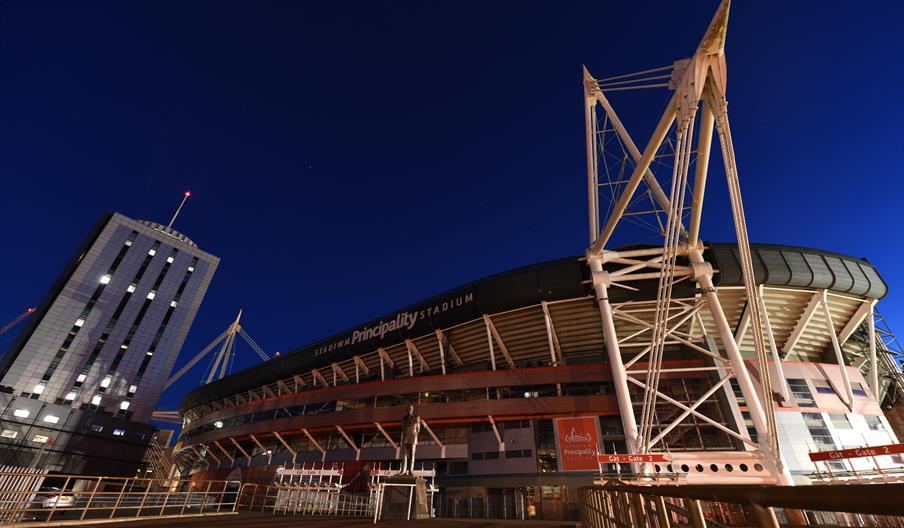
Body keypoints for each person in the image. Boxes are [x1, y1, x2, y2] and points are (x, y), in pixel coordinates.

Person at [400, 404, 421, 475]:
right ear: (407, 410)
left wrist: (414, 435)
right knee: (404, 455)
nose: (409, 410)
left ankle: (411, 470)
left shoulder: (416, 417)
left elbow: (418, 428)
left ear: (413, 409)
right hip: (405, 437)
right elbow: (403, 428)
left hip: (413, 437)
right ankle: (403, 470)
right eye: (408, 409)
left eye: (411, 409)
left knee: (412, 455)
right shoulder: (404, 418)